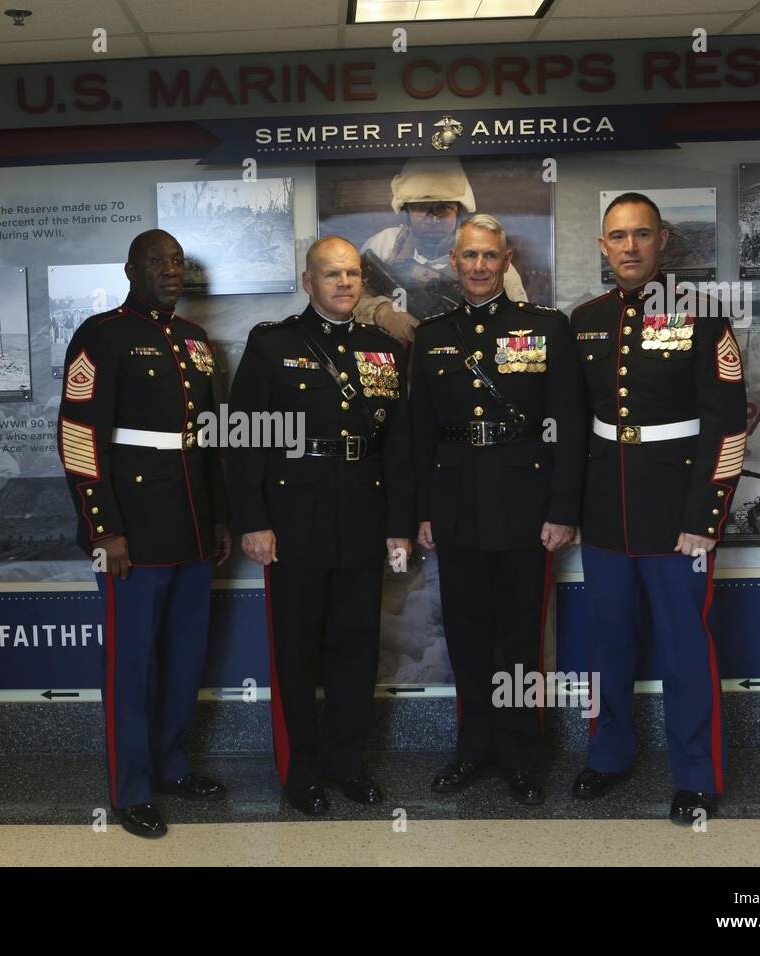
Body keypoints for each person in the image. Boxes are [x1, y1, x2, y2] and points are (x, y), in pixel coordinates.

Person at [570, 192, 748, 825]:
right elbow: (570, 428)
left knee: (683, 647)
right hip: (603, 515)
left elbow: (727, 429)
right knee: (608, 641)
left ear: (662, 240)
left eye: (641, 234)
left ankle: (696, 773)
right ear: (602, 244)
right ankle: (610, 753)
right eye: (617, 236)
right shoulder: (584, 320)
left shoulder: (703, 319)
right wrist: (568, 509)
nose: (629, 247)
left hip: (678, 517)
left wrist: (704, 518)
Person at [227, 236, 414, 816]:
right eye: (331, 274)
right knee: (298, 650)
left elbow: (402, 445)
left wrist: (400, 525)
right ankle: (300, 769)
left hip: (363, 509)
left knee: (357, 650)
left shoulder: (383, 349)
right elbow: (243, 439)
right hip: (293, 516)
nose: (344, 283)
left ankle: (347, 763)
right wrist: (253, 521)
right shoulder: (273, 344)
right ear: (308, 282)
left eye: (353, 274)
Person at [56, 229, 232, 839]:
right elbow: (79, 437)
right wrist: (104, 530)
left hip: (191, 526)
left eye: (178, 261)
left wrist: (218, 518)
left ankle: (173, 765)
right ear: (131, 268)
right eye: (157, 261)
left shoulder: (195, 340)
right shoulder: (101, 334)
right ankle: (130, 788)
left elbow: (210, 437)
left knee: (185, 658)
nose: (170, 269)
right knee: (131, 664)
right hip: (133, 528)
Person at [410, 214, 584, 805]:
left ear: (506, 259)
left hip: (526, 506)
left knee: (519, 638)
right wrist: (423, 510)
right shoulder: (433, 335)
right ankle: (472, 750)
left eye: (490, 256)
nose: (480, 267)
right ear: (453, 263)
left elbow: (570, 426)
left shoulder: (545, 328)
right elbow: (420, 432)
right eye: (469, 257)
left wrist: (563, 508)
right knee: (465, 634)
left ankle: (521, 755)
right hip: (456, 505)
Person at [352, 157, 528, 346]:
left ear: (458, 213)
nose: (433, 220)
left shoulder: (489, 264)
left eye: (442, 209)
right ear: (407, 212)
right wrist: (380, 311)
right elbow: (347, 299)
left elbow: (518, 325)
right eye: (421, 208)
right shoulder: (384, 245)